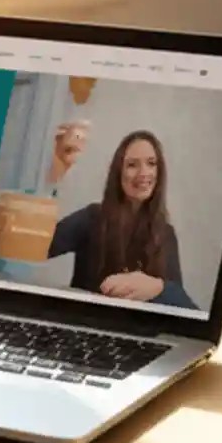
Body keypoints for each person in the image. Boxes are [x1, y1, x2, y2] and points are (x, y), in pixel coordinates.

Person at [46, 130, 197, 309]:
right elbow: (38, 245)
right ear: (118, 173)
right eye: (132, 165)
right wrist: (55, 174)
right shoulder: (92, 218)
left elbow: (184, 308)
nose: (144, 173)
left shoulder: (165, 234)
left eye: (151, 163)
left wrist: (157, 288)